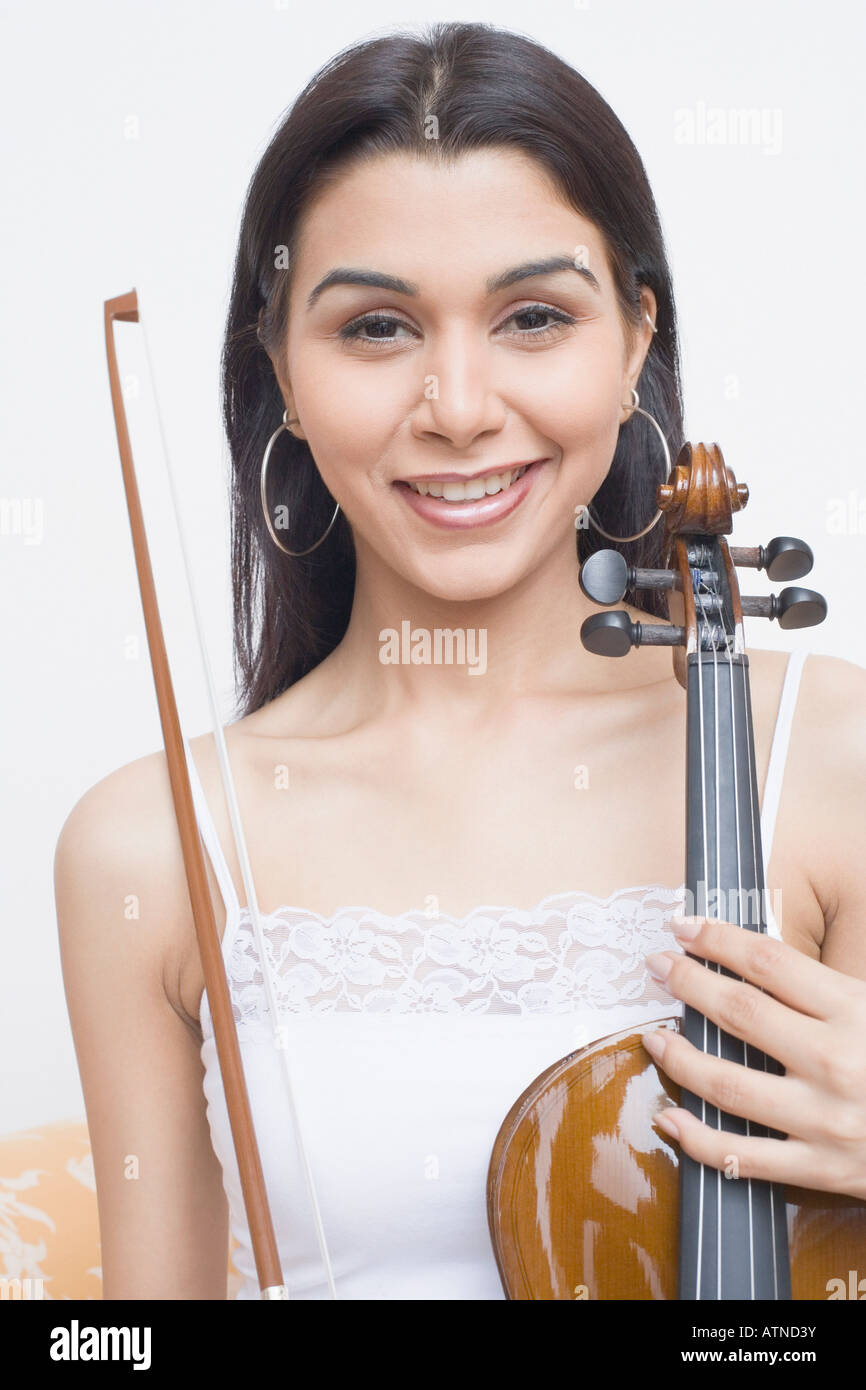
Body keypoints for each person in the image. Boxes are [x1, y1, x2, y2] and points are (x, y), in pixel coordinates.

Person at [55, 21, 866, 1300]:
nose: (458, 404)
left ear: (633, 338)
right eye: (375, 328)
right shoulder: (151, 842)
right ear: (280, 368)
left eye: (533, 316)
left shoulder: (822, 757)